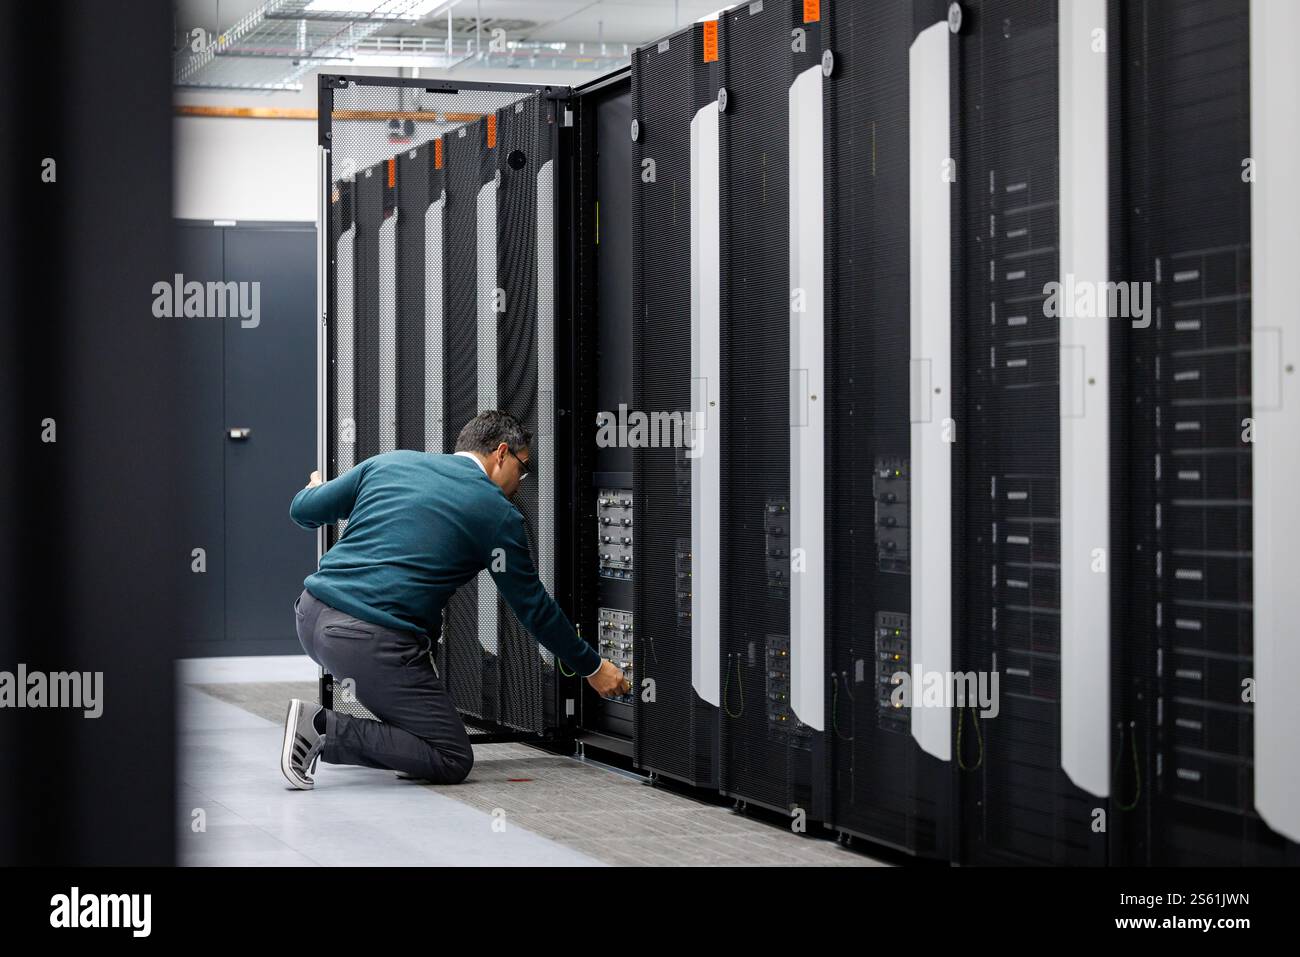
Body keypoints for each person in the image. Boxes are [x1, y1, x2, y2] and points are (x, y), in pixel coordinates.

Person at [281, 410, 630, 789]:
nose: (521, 481)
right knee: (451, 756)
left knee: (420, 717)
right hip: (367, 639)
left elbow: (303, 511)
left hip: (310, 613)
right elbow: (535, 610)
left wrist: (316, 489)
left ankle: (405, 746)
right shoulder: (497, 514)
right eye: (523, 467)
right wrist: (592, 668)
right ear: (501, 454)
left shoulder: (390, 463)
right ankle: (319, 728)